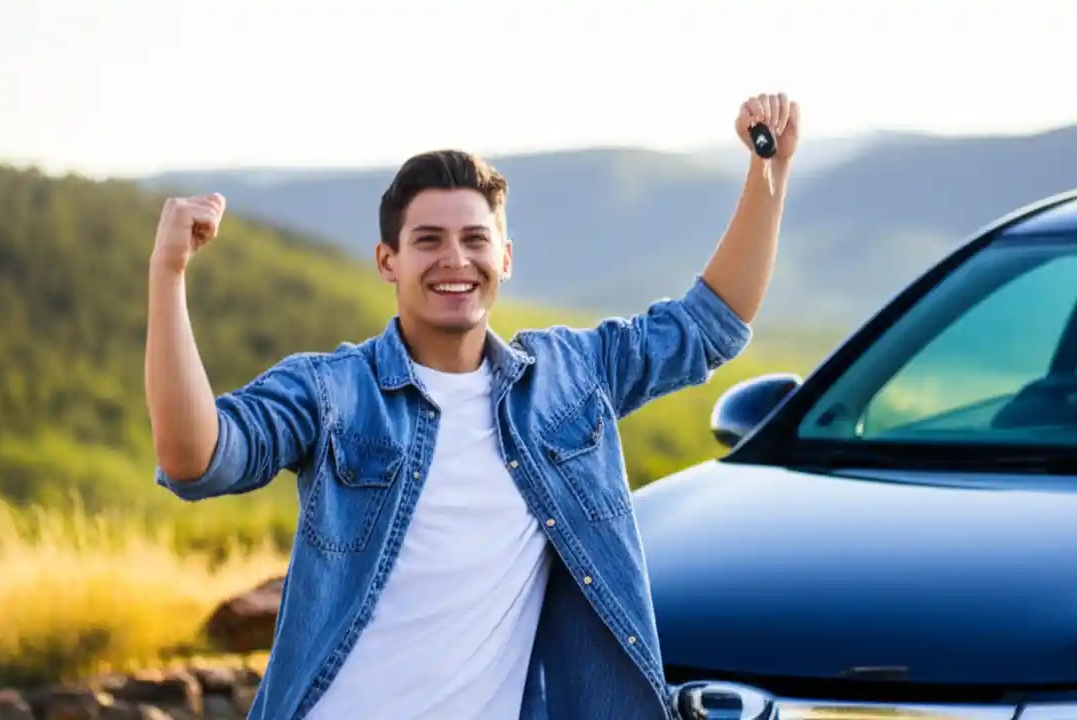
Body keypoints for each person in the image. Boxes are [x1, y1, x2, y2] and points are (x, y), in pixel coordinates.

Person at [145, 91, 800, 720]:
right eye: (427, 240)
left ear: (505, 257)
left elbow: (709, 324)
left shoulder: (570, 379)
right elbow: (198, 458)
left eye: (475, 240)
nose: (454, 260)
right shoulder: (333, 392)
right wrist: (169, 273)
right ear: (388, 261)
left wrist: (768, 171)